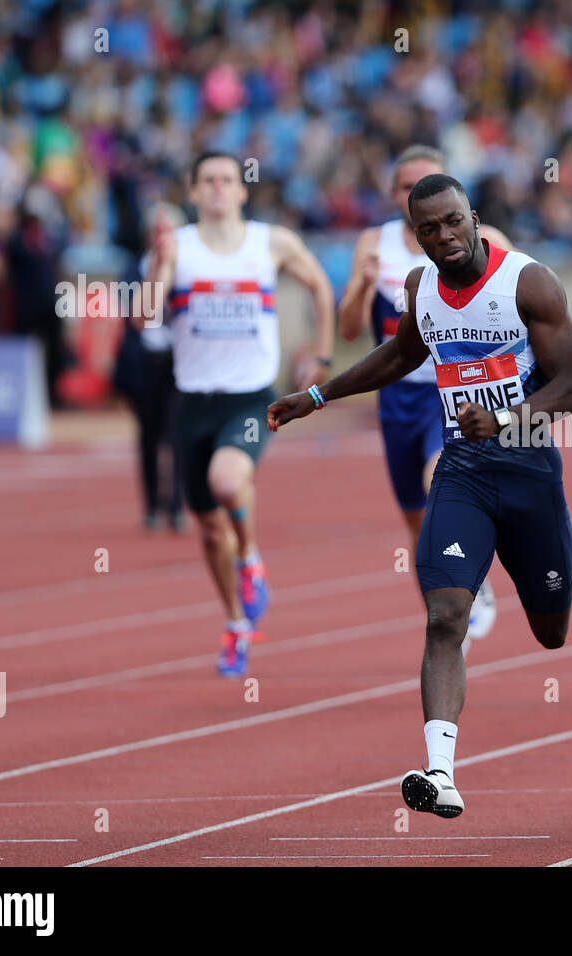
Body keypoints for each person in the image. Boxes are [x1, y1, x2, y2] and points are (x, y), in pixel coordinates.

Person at [268, 174, 572, 819]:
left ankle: (527, 593)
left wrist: (506, 418)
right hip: (462, 470)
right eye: (428, 229)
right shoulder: (421, 289)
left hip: (528, 472)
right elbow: (402, 354)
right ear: (417, 236)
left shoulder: (529, 282)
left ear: (474, 217)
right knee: (443, 616)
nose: (444, 237)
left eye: (453, 222)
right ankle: (440, 773)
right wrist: (318, 397)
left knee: (551, 631)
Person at [143, 152, 335, 678]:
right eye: (209, 180)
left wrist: (321, 352)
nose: (220, 188)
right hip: (193, 400)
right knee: (208, 531)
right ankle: (235, 623)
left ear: (242, 190)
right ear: (194, 189)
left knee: (228, 481)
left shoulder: (270, 243)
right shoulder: (176, 247)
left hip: (251, 397)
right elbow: (143, 316)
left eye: (228, 179)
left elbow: (319, 285)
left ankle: (250, 556)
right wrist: (158, 263)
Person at [338, 146, 515, 651]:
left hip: (457, 393)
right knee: (420, 524)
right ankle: (446, 628)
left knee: (437, 483)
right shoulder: (374, 244)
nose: (413, 193)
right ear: (395, 195)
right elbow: (350, 330)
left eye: (428, 181)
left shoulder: (487, 242)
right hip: (397, 398)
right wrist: (362, 285)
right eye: (403, 185)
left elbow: (522, 310)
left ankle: (476, 580)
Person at [115, 201, 186, 531]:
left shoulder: (187, 268)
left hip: (179, 359)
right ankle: (151, 506)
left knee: (176, 433)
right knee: (147, 435)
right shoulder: (133, 269)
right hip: (144, 360)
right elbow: (132, 315)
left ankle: (177, 506)